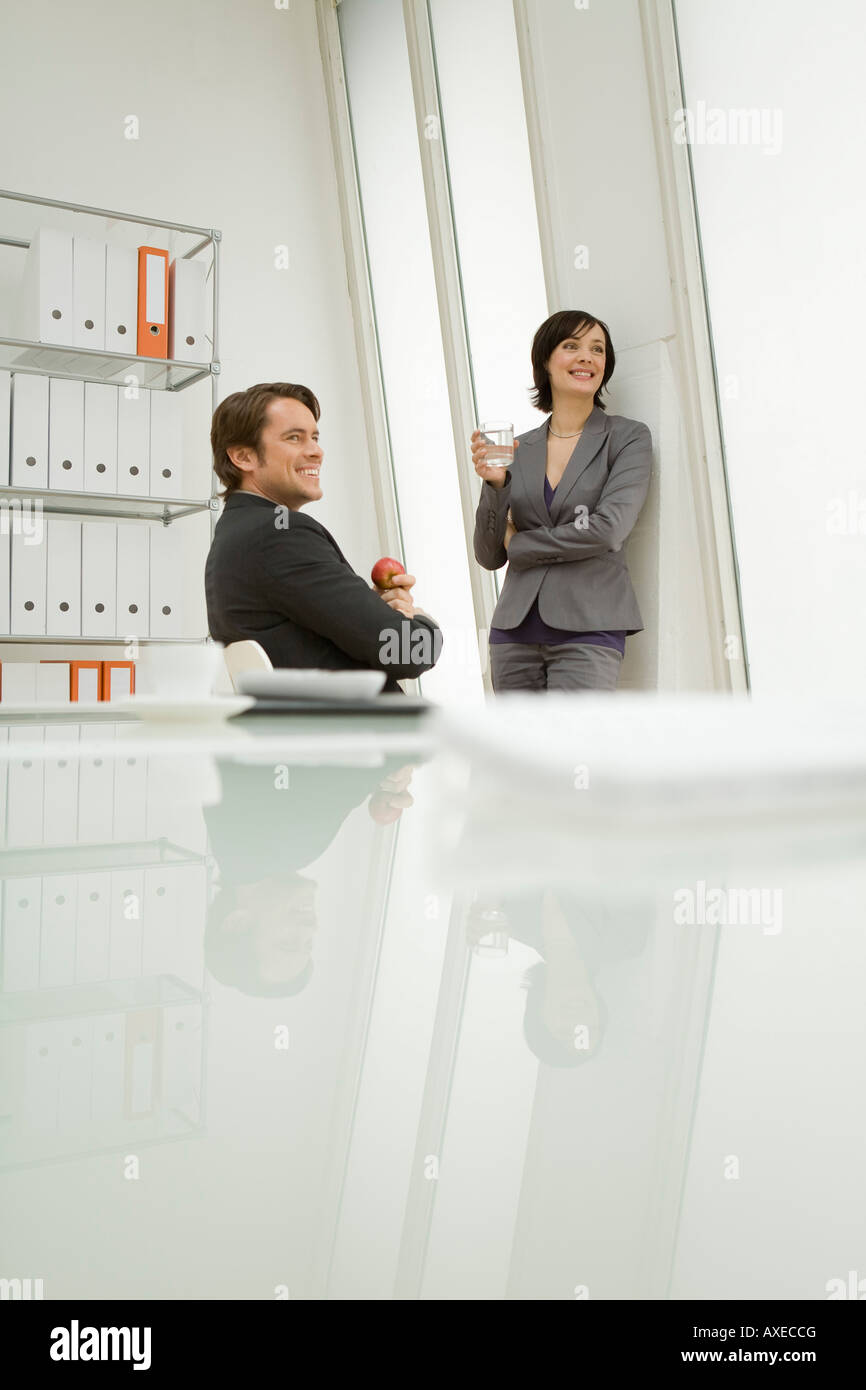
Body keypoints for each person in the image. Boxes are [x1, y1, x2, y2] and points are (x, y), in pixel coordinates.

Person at [205, 382, 442, 690]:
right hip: (366, 734)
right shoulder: (281, 534)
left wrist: (373, 610)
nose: (316, 451)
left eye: (315, 437)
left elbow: (306, 639)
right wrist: (422, 621)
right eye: (294, 438)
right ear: (243, 456)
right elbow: (407, 651)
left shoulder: (236, 533)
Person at [471, 311, 653, 692]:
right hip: (514, 632)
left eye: (597, 349)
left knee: (574, 750)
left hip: (589, 629)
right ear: (545, 361)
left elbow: (607, 530)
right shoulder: (518, 448)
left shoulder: (627, 438)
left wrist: (519, 541)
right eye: (572, 346)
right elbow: (489, 555)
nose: (587, 356)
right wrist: (495, 485)